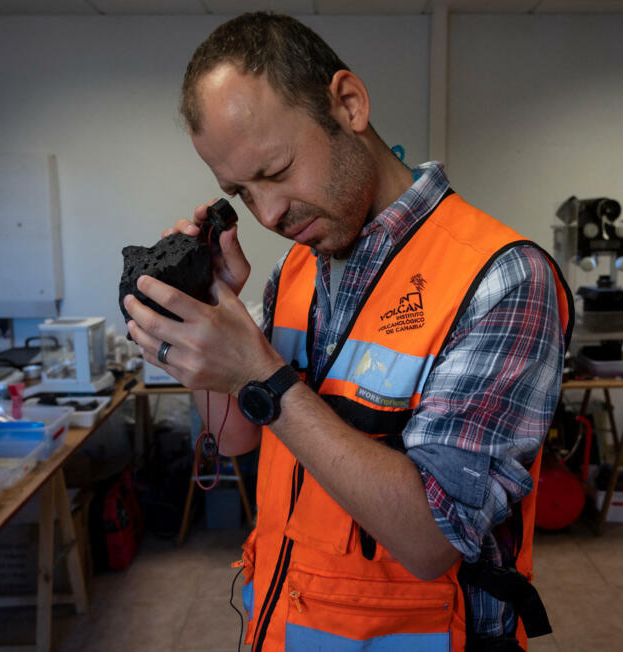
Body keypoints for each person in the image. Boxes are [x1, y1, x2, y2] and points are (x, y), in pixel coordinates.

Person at [123, 12, 572, 652]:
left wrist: (260, 374)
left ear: (350, 105)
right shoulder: (297, 270)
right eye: (241, 193)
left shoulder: (499, 279)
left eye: (276, 171)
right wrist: (213, 321)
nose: (270, 213)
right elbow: (238, 437)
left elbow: (431, 541)